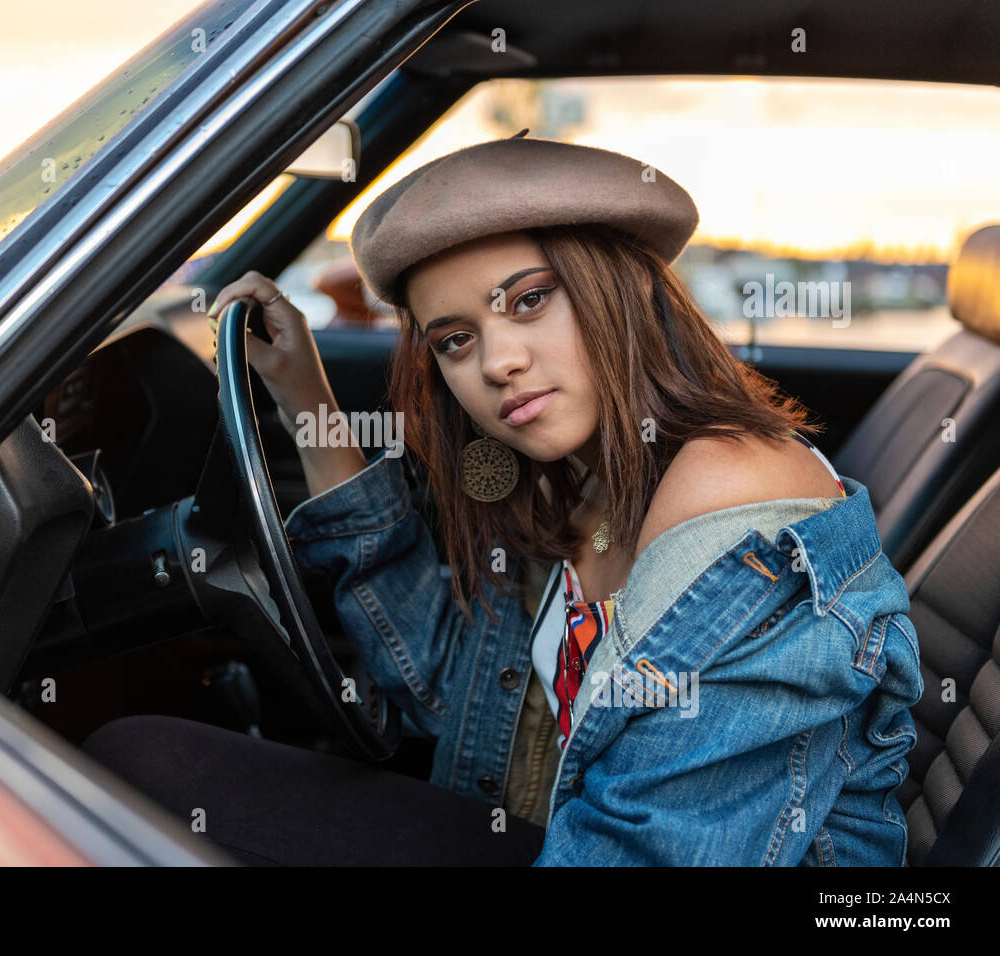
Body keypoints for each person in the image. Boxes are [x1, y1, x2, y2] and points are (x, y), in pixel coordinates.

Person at [83, 134, 922, 866]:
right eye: (456, 340)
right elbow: (450, 695)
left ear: (618, 289)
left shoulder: (733, 501)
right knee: (140, 764)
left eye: (528, 300)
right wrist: (306, 396)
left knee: (137, 769)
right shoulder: (584, 482)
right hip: (536, 832)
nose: (497, 363)